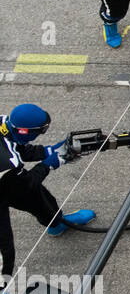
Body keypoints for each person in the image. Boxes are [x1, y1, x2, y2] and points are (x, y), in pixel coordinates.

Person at [0, 104, 94, 284]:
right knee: (5, 251)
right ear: (25, 131)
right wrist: (52, 161)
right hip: (7, 177)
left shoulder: (5, 124)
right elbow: (28, 183)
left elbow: (18, 146)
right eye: (41, 131)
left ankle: (56, 223)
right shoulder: (8, 163)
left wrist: (48, 151)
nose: (43, 132)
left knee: (41, 199)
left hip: (7, 179)